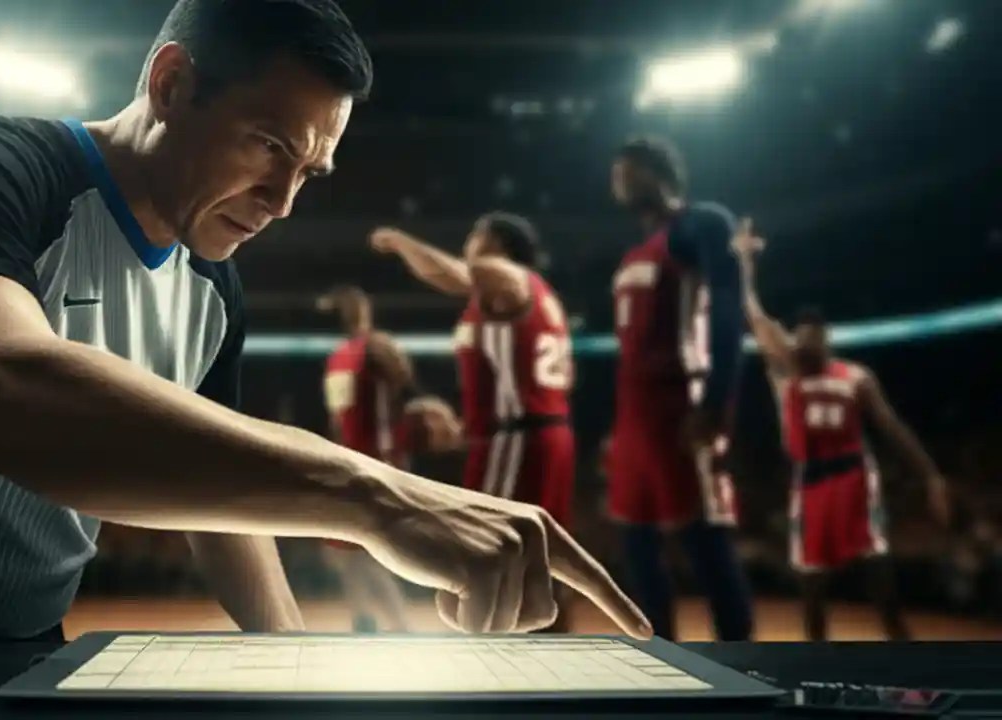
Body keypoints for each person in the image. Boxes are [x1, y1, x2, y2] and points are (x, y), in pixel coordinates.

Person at [0, 0, 649, 643]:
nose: (285, 201)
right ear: (171, 82)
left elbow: (222, 511)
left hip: (25, 644)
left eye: (311, 172)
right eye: (270, 145)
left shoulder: (217, 287)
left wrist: (289, 662)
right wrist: (374, 493)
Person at [732, 223, 951, 641]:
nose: (803, 340)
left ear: (826, 341)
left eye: (812, 335)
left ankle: (911, 666)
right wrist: (744, 262)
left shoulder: (855, 378)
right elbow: (754, 313)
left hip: (853, 477)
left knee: (882, 588)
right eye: (798, 335)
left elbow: (891, 426)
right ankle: (816, 678)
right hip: (810, 483)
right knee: (812, 593)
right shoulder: (784, 371)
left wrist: (931, 475)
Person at [370, 213, 582, 633]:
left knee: (488, 547)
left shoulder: (503, 274)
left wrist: (399, 241)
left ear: (496, 244)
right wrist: (471, 424)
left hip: (518, 437)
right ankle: (551, 650)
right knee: (538, 555)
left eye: (474, 236)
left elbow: (445, 274)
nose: (468, 245)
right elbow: (565, 376)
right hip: (538, 431)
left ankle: (497, 651)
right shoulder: (535, 295)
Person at [608, 137, 754, 641]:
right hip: (635, 418)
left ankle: (744, 669)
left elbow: (729, 310)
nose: (618, 179)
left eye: (627, 169)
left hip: (681, 406)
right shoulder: (632, 251)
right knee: (636, 549)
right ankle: (660, 664)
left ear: (657, 171)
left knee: (706, 545)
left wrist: (717, 399)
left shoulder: (701, 223)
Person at [316, 285, 458, 633]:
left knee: (362, 551)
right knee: (349, 551)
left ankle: (391, 623)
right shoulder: (361, 352)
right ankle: (369, 619)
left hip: (367, 461)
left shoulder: (348, 355)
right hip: (365, 460)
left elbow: (344, 416)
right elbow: (401, 379)